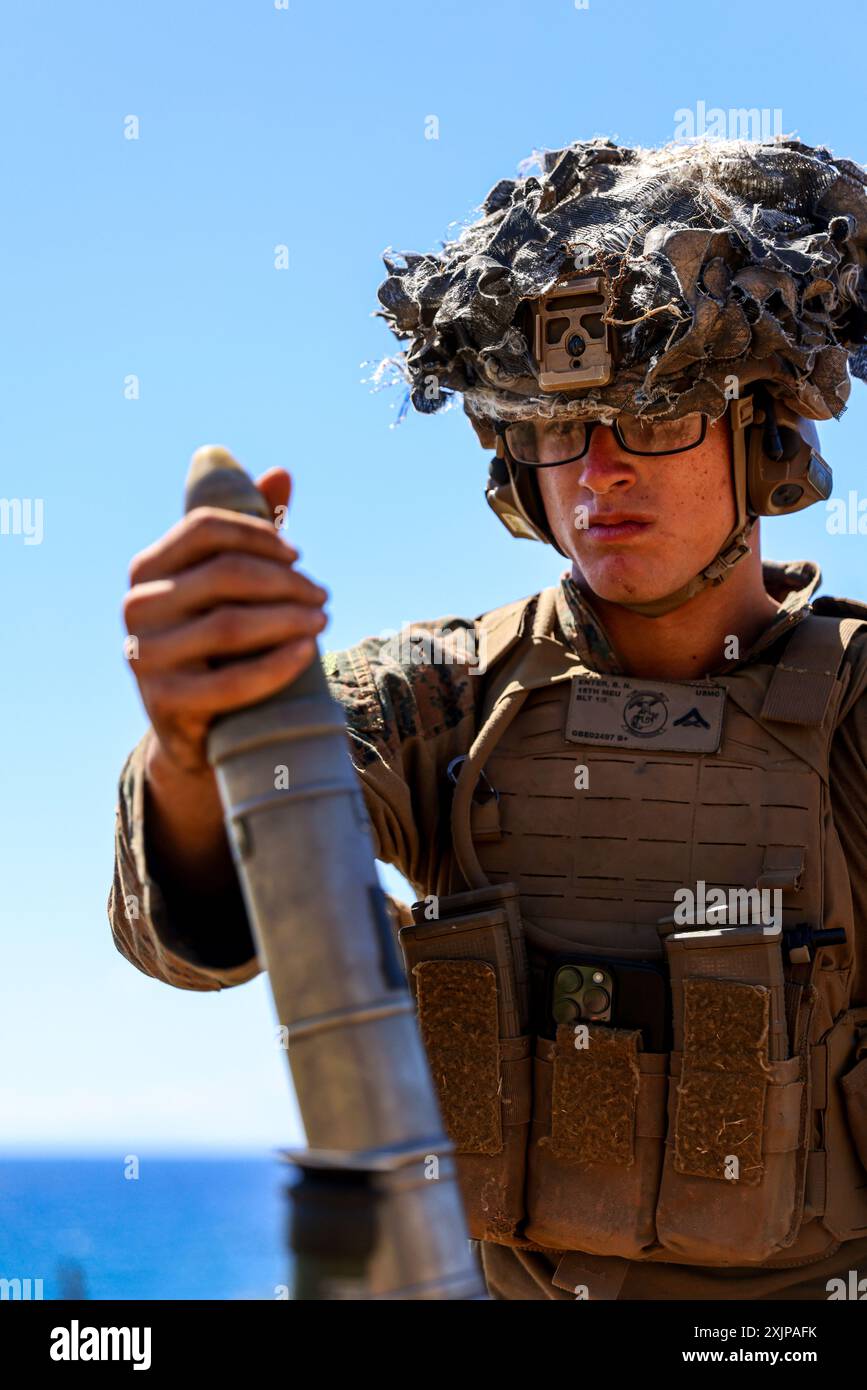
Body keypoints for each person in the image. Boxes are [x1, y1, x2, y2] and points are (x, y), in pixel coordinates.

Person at [110, 136, 867, 1299]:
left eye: (654, 416)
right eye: (562, 426)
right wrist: (191, 739)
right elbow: (205, 931)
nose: (599, 470)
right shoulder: (442, 698)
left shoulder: (854, 711)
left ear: (765, 440)